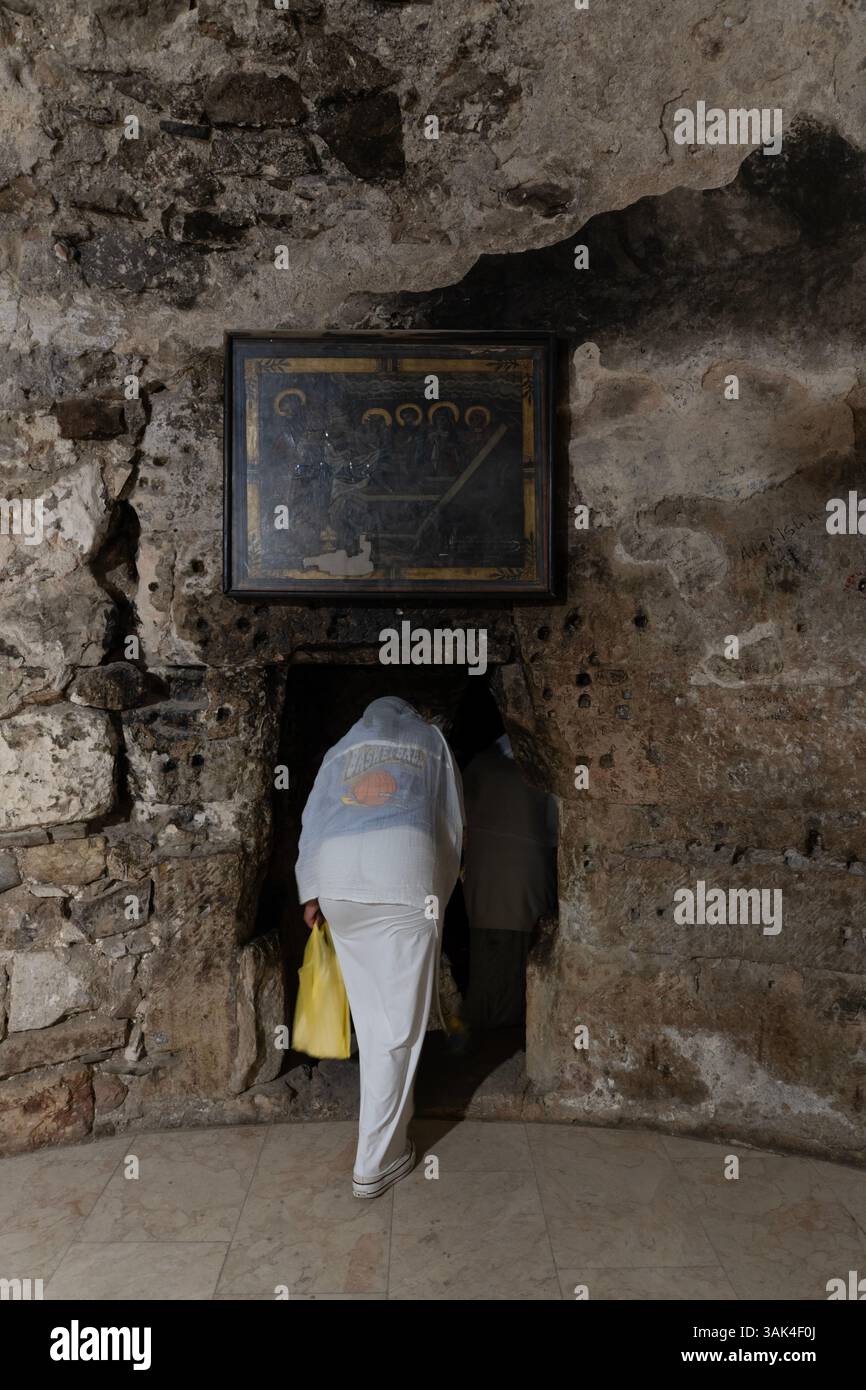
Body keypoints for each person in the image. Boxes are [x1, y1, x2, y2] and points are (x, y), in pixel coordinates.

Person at [294, 695, 465, 1199]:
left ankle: (392, 1129)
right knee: (396, 1030)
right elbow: (451, 821)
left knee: (375, 1023)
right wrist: (442, 887)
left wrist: (311, 889)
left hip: (340, 881)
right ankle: (375, 1160)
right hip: (404, 879)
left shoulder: (343, 749)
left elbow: (315, 817)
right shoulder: (430, 742)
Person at [461, 732, 558, 1034]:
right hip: (526, 878)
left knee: (484, 957)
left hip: (483, 882)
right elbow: (555, 829)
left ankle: (482, 1028)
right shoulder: (541, 771)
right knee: (518, 961)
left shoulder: (478, 765)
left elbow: (459, 823)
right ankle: (506, 1033)